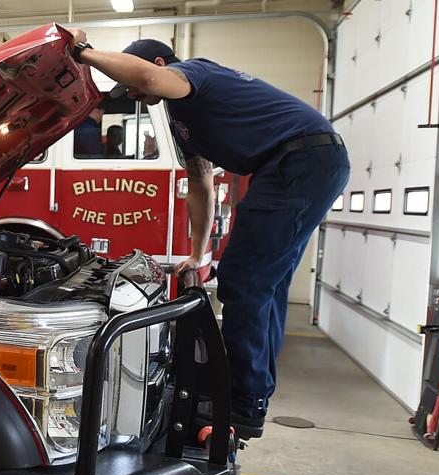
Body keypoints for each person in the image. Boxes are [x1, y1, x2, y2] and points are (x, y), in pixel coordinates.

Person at [67, 33, 350, 438]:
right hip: (302, 164)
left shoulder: (193, 74)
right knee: (266, 284)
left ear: (161, 64)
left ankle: (241, 401)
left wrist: (82, 54)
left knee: (245, 281)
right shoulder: (184, 122)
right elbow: (199, 182)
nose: (129, 93)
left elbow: (148, 80)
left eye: (129, 84)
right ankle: (252, 393)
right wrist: (197, 253)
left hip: (302, 161)